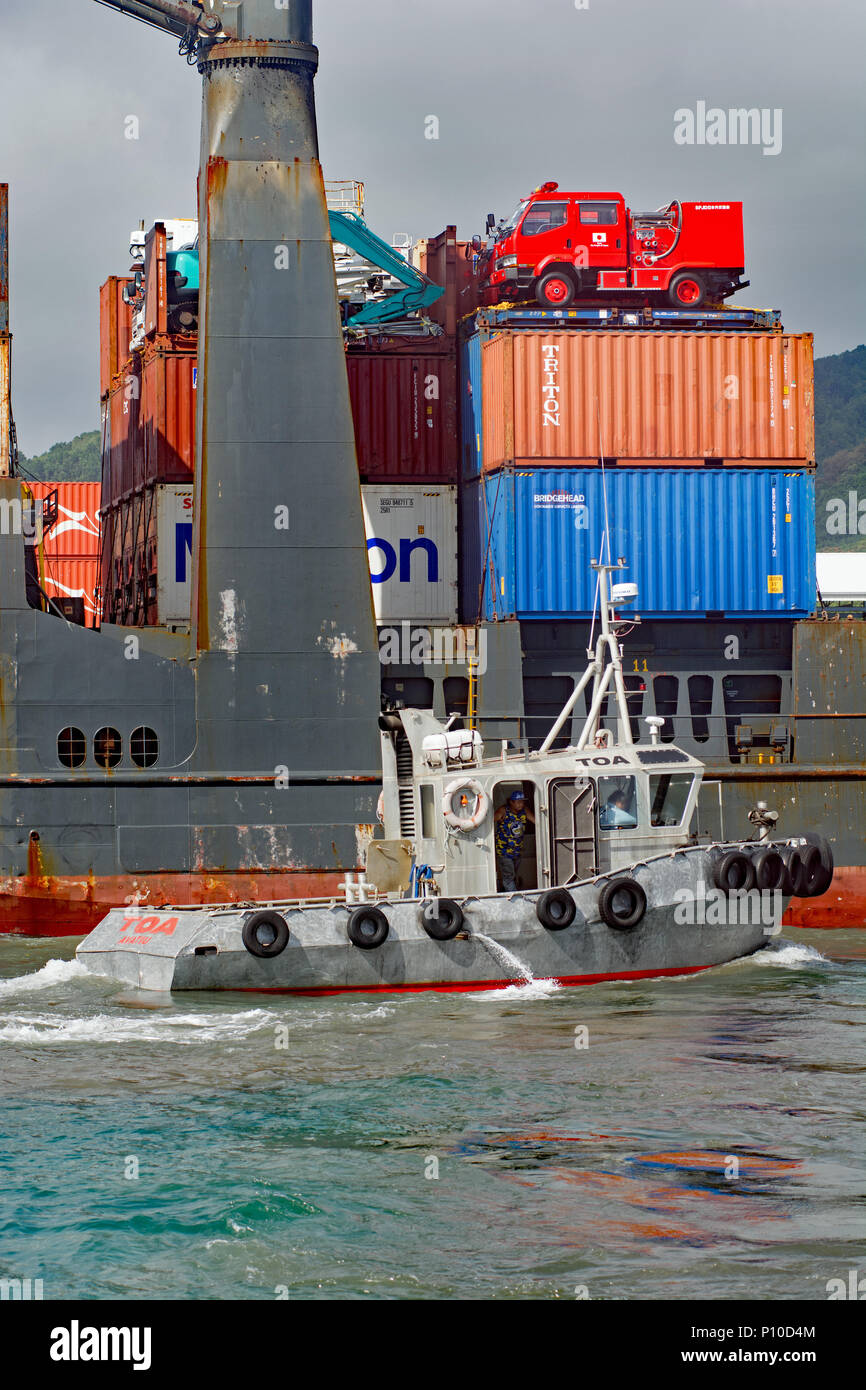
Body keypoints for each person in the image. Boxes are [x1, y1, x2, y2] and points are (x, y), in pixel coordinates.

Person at [494, 790, 535, 892]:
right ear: (511, 802)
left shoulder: (524, 810)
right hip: (504, 851)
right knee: (509, 877)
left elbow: (536, 820)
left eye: (522, 801)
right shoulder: (504, 810)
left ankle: (504, 894)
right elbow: (492, 819)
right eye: (518, 801)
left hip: (517, 850)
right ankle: (515, 898)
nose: (521, 804)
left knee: (511, 876)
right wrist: (498, 818)